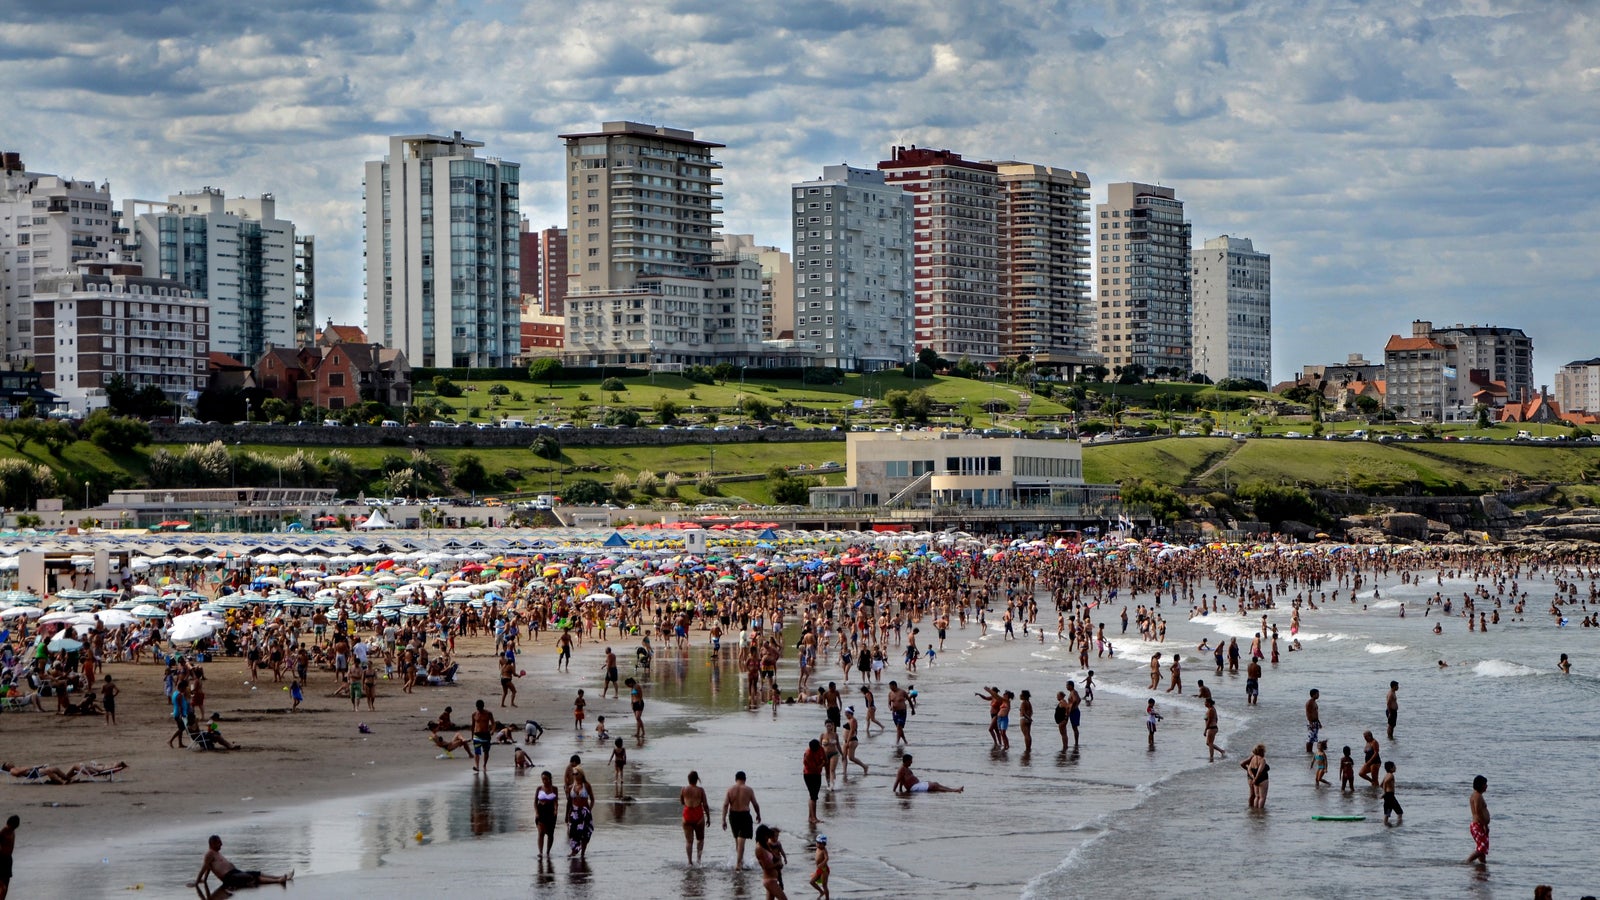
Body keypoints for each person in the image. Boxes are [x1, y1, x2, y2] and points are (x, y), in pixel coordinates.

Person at [191, 834, 292, 894]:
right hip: (229, 877)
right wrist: (197, 882)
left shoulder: (216, 853)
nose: (221, 844)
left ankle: (281, 876)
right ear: (212, 843)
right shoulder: (209, 854)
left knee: (257, 873)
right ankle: (279, 881)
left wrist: (204, 880)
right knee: (252, 877)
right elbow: (204, 868)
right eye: (219, 843)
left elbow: (209, 869)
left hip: (235, 872)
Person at [723, 770, 763, 869]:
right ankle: (739, 863)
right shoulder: (749, 789)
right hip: (744, 815)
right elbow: (755, 804)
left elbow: (725, 805)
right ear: (745, 779)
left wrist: (723, 819)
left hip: (733, 815)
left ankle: (740, 861)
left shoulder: (730, 789)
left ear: (736, 779)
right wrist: (758, 814)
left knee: (738, 839)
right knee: (741, 840)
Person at [892, 753, 963, 794]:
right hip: (914, 788)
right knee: (934, 786)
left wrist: (901, 790)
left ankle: (954, 790)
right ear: (906, 761)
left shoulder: (905, 768)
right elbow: (898, 781)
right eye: (910, 761)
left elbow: (901, 781)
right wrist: (895, 792)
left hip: (917, 785)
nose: (911, 762)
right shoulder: (901, 769)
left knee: (936, 783)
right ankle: (955, 790)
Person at [681, 770, 708, 865]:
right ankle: (698, 860)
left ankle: (689, 861)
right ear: (697, 780)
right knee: (700, 839)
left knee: (689, 841)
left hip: (687, 815)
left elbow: (682, 802)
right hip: (698, 815)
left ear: (688, 780)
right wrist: (708, 817)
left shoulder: (684, 789)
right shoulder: (700, 790)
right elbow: (705, 805)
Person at [755, 824, 787, 900]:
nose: (768, 837)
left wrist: (779, 859)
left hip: (773, 878)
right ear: (762, 835)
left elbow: (774, 856)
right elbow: (765, 867)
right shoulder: (759, 849)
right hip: (769, 880)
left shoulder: (764, 845)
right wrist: (777, 864)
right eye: (767, 835)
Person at [1466, 775, 1491, 864]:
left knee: (1482, 850)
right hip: (1478, 825)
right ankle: (1467, 862)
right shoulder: (1477, 796)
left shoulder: (1476, 795)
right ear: (1480, 785)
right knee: (1482, 848)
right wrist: (1484, 825)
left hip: (1478, 825)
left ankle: (1482, 866)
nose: (1486, 786)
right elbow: (1478, 811)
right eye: (1485, 784)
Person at [534, 771, 559, 857]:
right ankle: (540, 852)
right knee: (541, 832)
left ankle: (548, 851)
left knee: (550, 833)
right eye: (543, 779)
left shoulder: (554, 789)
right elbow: (535, 802)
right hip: (541, 810)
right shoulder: (539, 788)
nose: (544, 781)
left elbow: (556, 802)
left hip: (550, 811)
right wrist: (536, 812)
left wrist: (556, 810)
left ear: (549, 779)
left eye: (546, 779)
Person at [802, 739, 825, 825]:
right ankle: (814, 817)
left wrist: (823, 763)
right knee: (813, 796)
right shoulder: (808, 754)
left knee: (814, 796)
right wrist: (822, 764)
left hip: (818, 774)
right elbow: (814, 768)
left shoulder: (821, 748)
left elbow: (825, 759)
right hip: (809, 775)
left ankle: (810, 817)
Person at [470, 699, 494, 774]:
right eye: (477, 708)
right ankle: (477, 766)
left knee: (486, 751)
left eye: (480, 708)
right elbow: (473, 725)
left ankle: (484, 765)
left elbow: (493, 723)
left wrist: (492, 730)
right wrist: (472, 736)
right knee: (477, 751)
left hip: (486, 734)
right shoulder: (474, 714)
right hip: (477, 735)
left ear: (483, 707)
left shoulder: (488, 713)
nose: (479, 709)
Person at [1242, 744, 1269, 809]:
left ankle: (1255, 809)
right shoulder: (1262, 760)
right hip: (1262, 779)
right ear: (1261, 751)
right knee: (1262, 797)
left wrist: (1253, 777)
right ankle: (1260, 810)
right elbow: (1260, 771)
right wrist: (1256, 778)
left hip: (1254, 779)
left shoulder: (1253, 758)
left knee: (1257, 796)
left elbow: (1249, 769)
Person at [1381, 760, 1403, 825]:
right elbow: (1385, 783)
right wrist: (1385, 792)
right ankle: (1399, 825)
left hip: (1388, 796)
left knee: (1387, 813)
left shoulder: (1386, 775)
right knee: (1399, 812)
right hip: (1390, 795)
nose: (1395, 768)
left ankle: (1385, 824)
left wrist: (1385, 793)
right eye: (1394, 767)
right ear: (1391, 768)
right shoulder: (1391, 775)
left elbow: (1381, 784)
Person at [810, 834, 830, 900]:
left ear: (823, 844)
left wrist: (822, 863)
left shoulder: (824, 850)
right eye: (817, 842)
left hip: (824, 870)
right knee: (812, 882)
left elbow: (827, 858)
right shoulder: (818, 848)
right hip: (819, 870)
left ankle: (827, 898)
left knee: (824, 885)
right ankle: (821, 892)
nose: (817, 844)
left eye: (819, 843)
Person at [0, 814, 16, 900]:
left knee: (6, 884)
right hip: (1, 858)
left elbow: (12, 846)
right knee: (3, 886)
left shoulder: (13, 832)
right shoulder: (4, 831)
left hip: (8, 860)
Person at [1305, 689, 1321, 753]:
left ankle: (1310, 752)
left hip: (1315, 722)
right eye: (1317, 694)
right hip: (1311, 722)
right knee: (1310, 739)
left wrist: (1319, 722)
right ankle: (1308, 752)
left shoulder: (1314, 702)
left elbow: (1315, 713)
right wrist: (1310, 723)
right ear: (1313, 694)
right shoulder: (1310, 702)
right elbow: (1308, 713)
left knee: (1313, 739)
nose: (1318, 695)